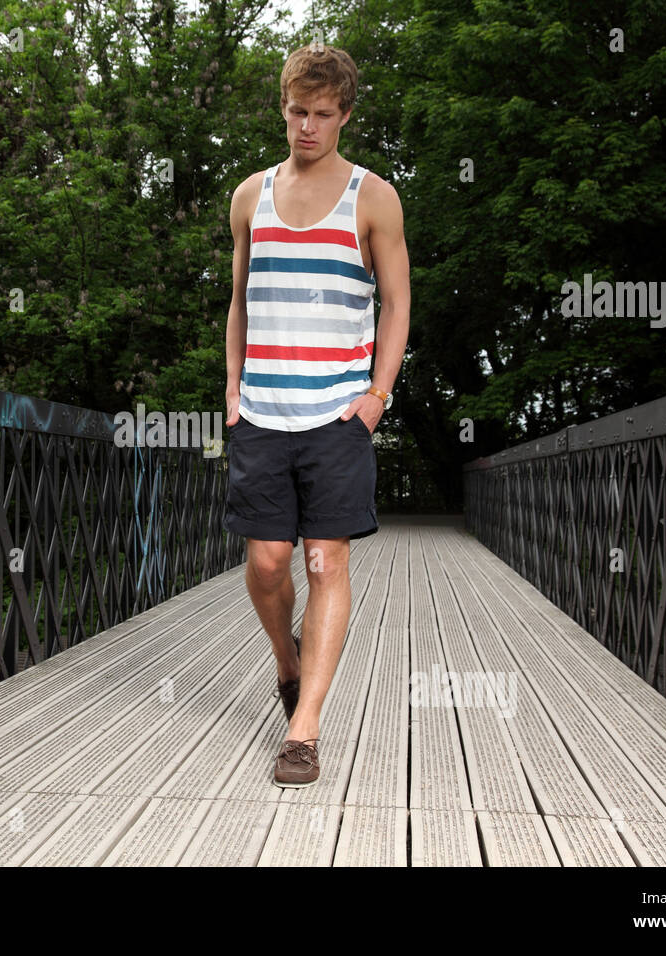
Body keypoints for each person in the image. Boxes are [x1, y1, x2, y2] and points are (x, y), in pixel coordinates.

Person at [223, 43, 410, 788]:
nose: (306, 127)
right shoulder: (249, 197)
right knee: (267, 564)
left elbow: (397, 303)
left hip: (338, 415)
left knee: (325, 560)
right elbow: (238, 300)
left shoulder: (375, 197)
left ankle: (304, 729)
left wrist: (375, 398)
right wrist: (232, 390)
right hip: (262, 412)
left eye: (322, 115)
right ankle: (286, 661)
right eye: (296, 111)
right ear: (284, 107)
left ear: (345, 116)